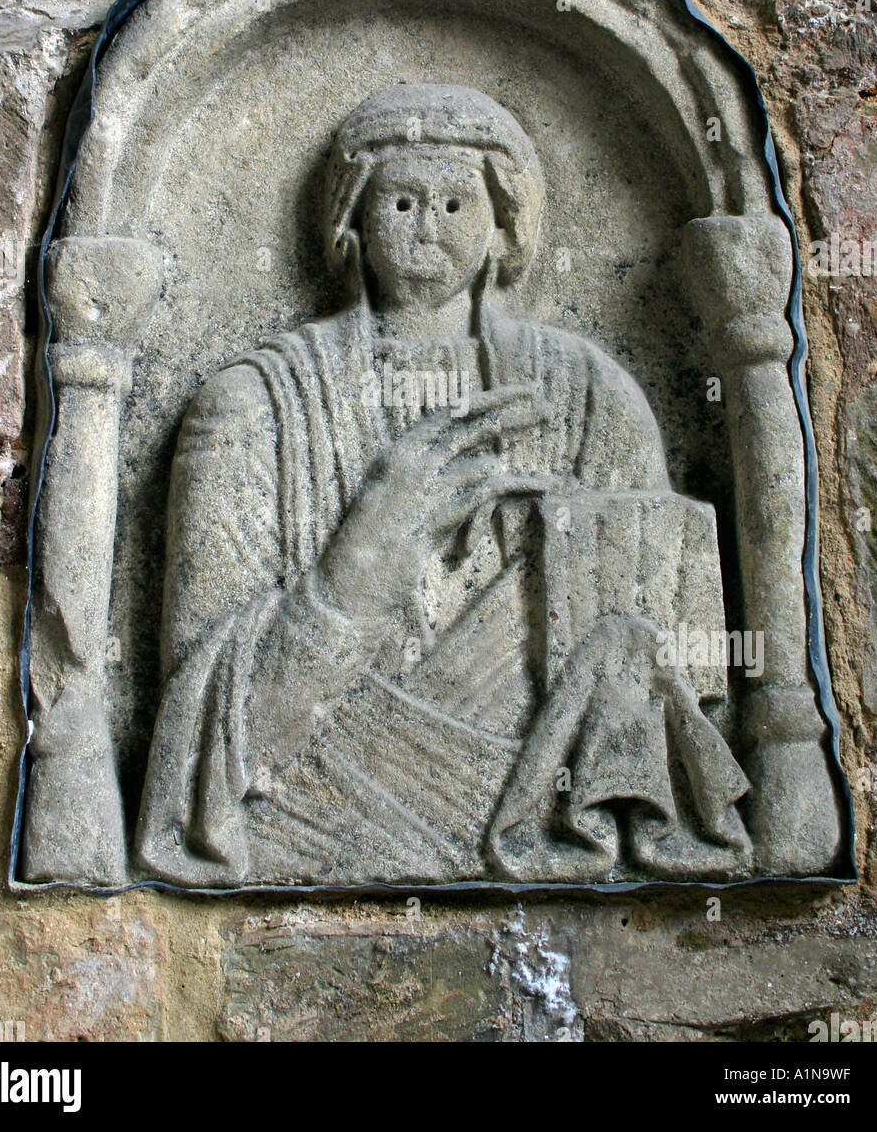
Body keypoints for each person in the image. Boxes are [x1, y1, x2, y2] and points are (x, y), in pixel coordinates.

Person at [135, 84, 751, 886]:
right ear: (351, 220)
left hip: (545, 806)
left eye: (458, 203)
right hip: (312, 811)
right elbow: (197, 718)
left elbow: (663, 647)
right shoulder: (253, 406)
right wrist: (353, 574)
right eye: (399, 199)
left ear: (504, 230)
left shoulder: (595, 398)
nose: (427, 222)